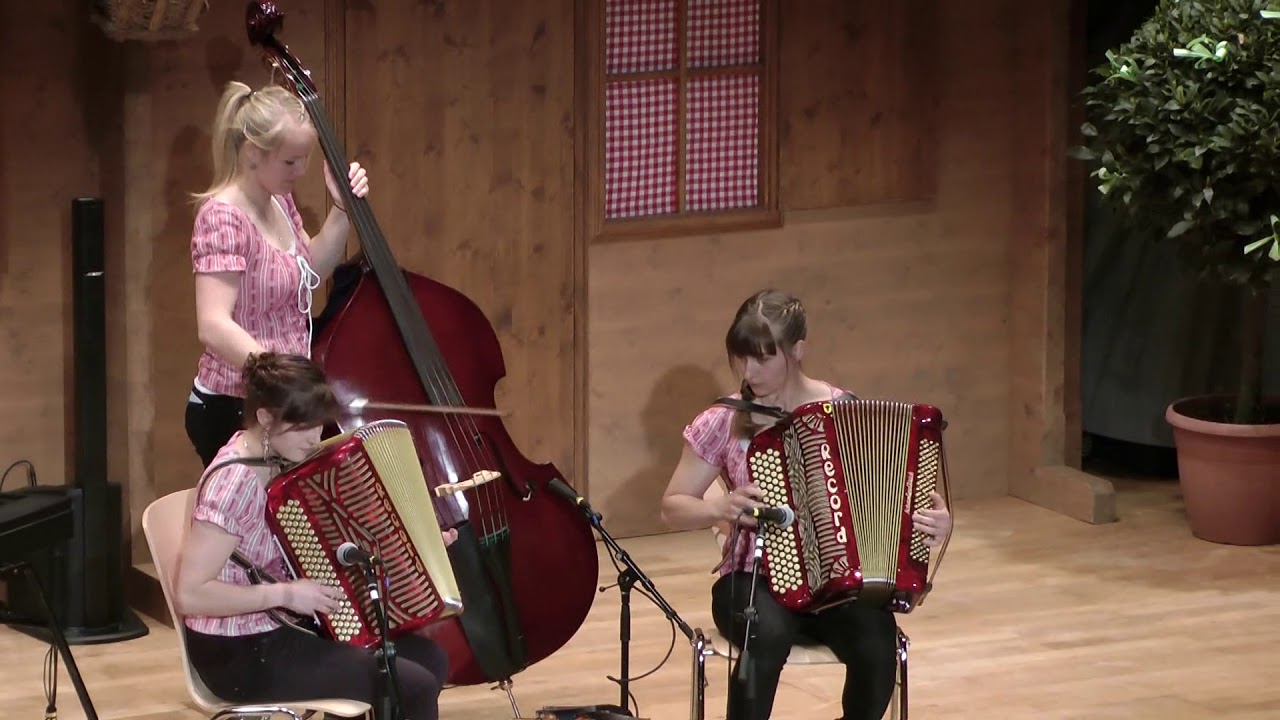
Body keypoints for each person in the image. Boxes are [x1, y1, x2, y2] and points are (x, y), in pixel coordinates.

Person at [660, 289, 952, 720]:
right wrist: (719, 509)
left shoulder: (846, 413)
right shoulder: (723, 420)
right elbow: (672, 506)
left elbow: (891, 500)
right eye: (741, 359)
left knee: (877, 643)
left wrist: (933, 522)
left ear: (797, 350)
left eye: (763, 359)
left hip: (836, 584)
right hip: (751, 580)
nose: (749, 371)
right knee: (767, 634)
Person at [175, 352, 456, 720]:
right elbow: (190, 594)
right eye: (302, 427)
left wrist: (414, 547)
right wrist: (288, 594)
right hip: (237, 650)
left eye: (318, 425)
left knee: (431, 659)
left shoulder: (283, 459)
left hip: (282, 625)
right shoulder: (233, 484)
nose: (314, 438)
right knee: (411, 684)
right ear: (265, 418)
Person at [185, 80, 370, 467]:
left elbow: (308, 272)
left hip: (284, 400)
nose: (301, 171)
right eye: (290, 161)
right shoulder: (222, 218)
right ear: (253, 153)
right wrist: (282, 376)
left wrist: (342, 209)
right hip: (237, 404)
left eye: (305, 159)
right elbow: (213, 325)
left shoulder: (281, 202)